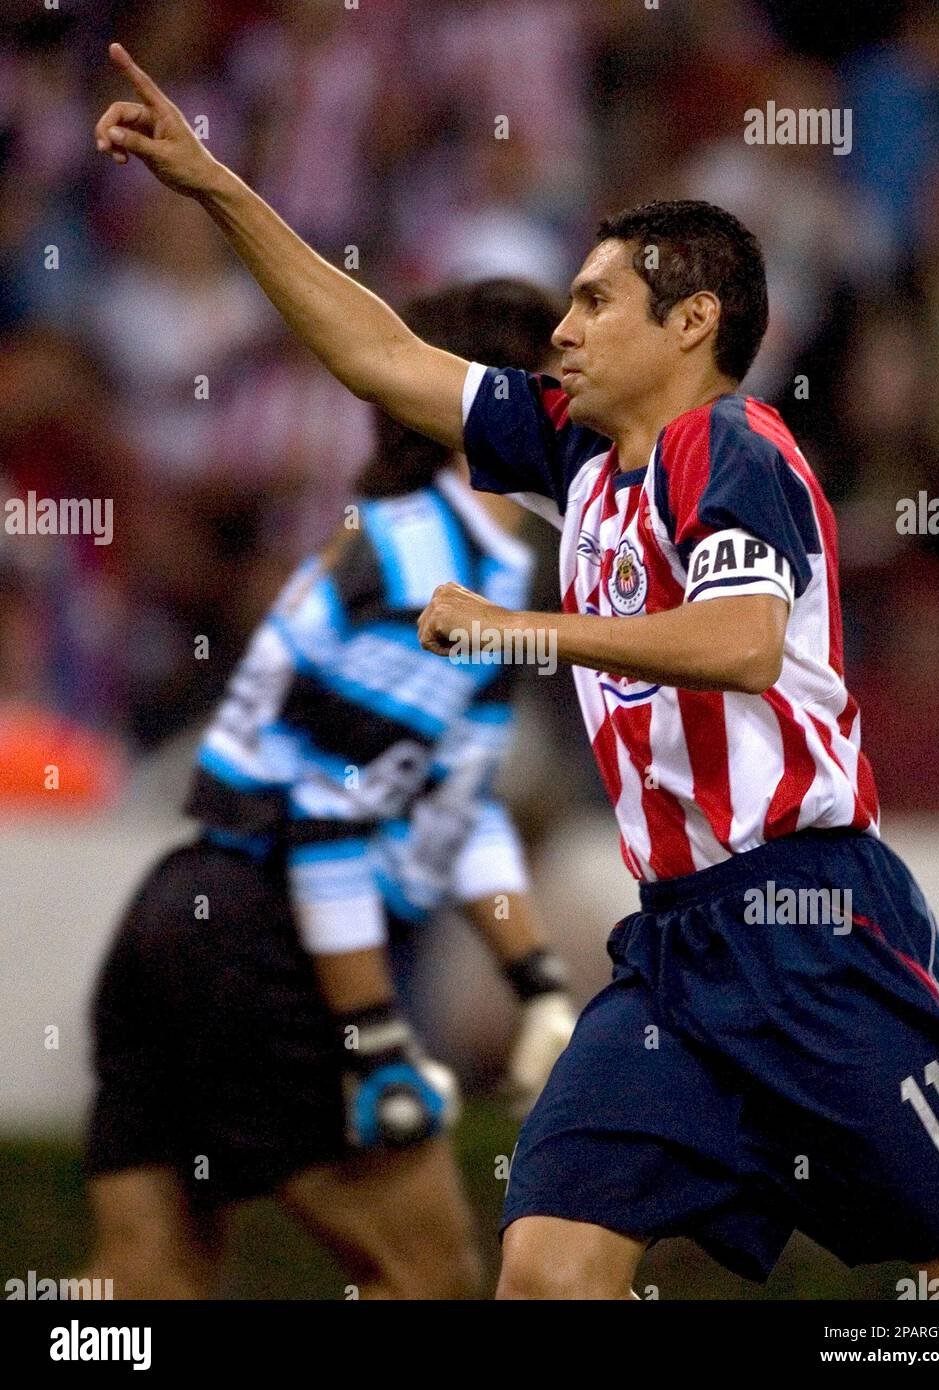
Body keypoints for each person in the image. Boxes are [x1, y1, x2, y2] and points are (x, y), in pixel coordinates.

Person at [93, 44, 939, 1300]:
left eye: (592, 302)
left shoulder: (728, 447)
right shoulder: (577, 456)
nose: (560, 328)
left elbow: (741, 642)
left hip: (812, 930)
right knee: (548, 1269)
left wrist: (521, 631)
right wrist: (219, 188)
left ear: (692, 322)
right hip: (679, 948)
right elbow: (381, 357)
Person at [83, 277, 576, 1300]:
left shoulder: (418, 545)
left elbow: (450, 799)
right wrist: (376, 1037)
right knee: (428, 1274)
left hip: (181, 911)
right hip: (271, 934)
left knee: (147, 1283)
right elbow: (328, 815)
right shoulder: (433, 571)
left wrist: (532, 975)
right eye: (560, 386)